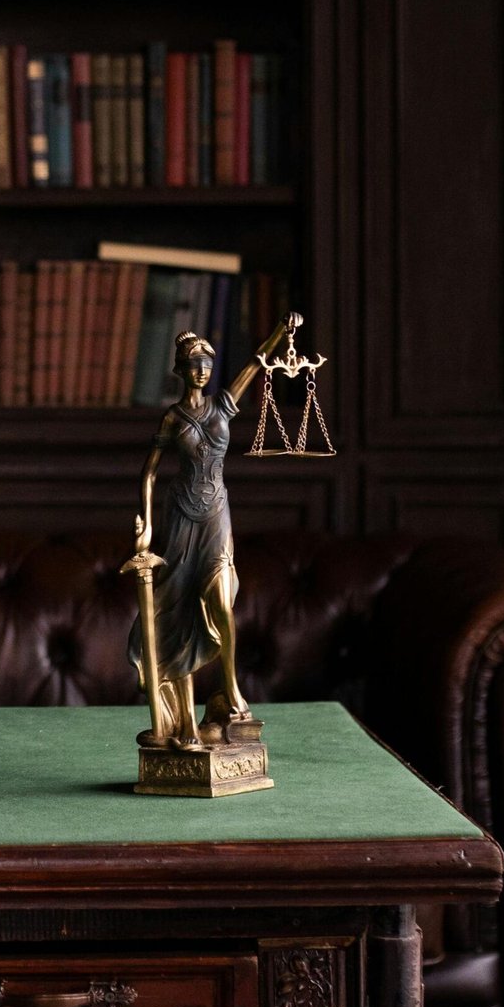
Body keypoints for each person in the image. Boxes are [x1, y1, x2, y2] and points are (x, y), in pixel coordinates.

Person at [127, 311, 303, 749]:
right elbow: (150, 472)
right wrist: (145, 522)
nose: (202, 369)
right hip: (181, 517)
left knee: (222, 601)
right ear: (181, 370)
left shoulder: (225, 404)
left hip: (217, 514)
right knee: (182, 613)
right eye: (194, 363)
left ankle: (231, 688)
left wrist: (282, 331)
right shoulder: (172, 418)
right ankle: (184, 721)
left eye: (208, 362)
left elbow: (257, 363)